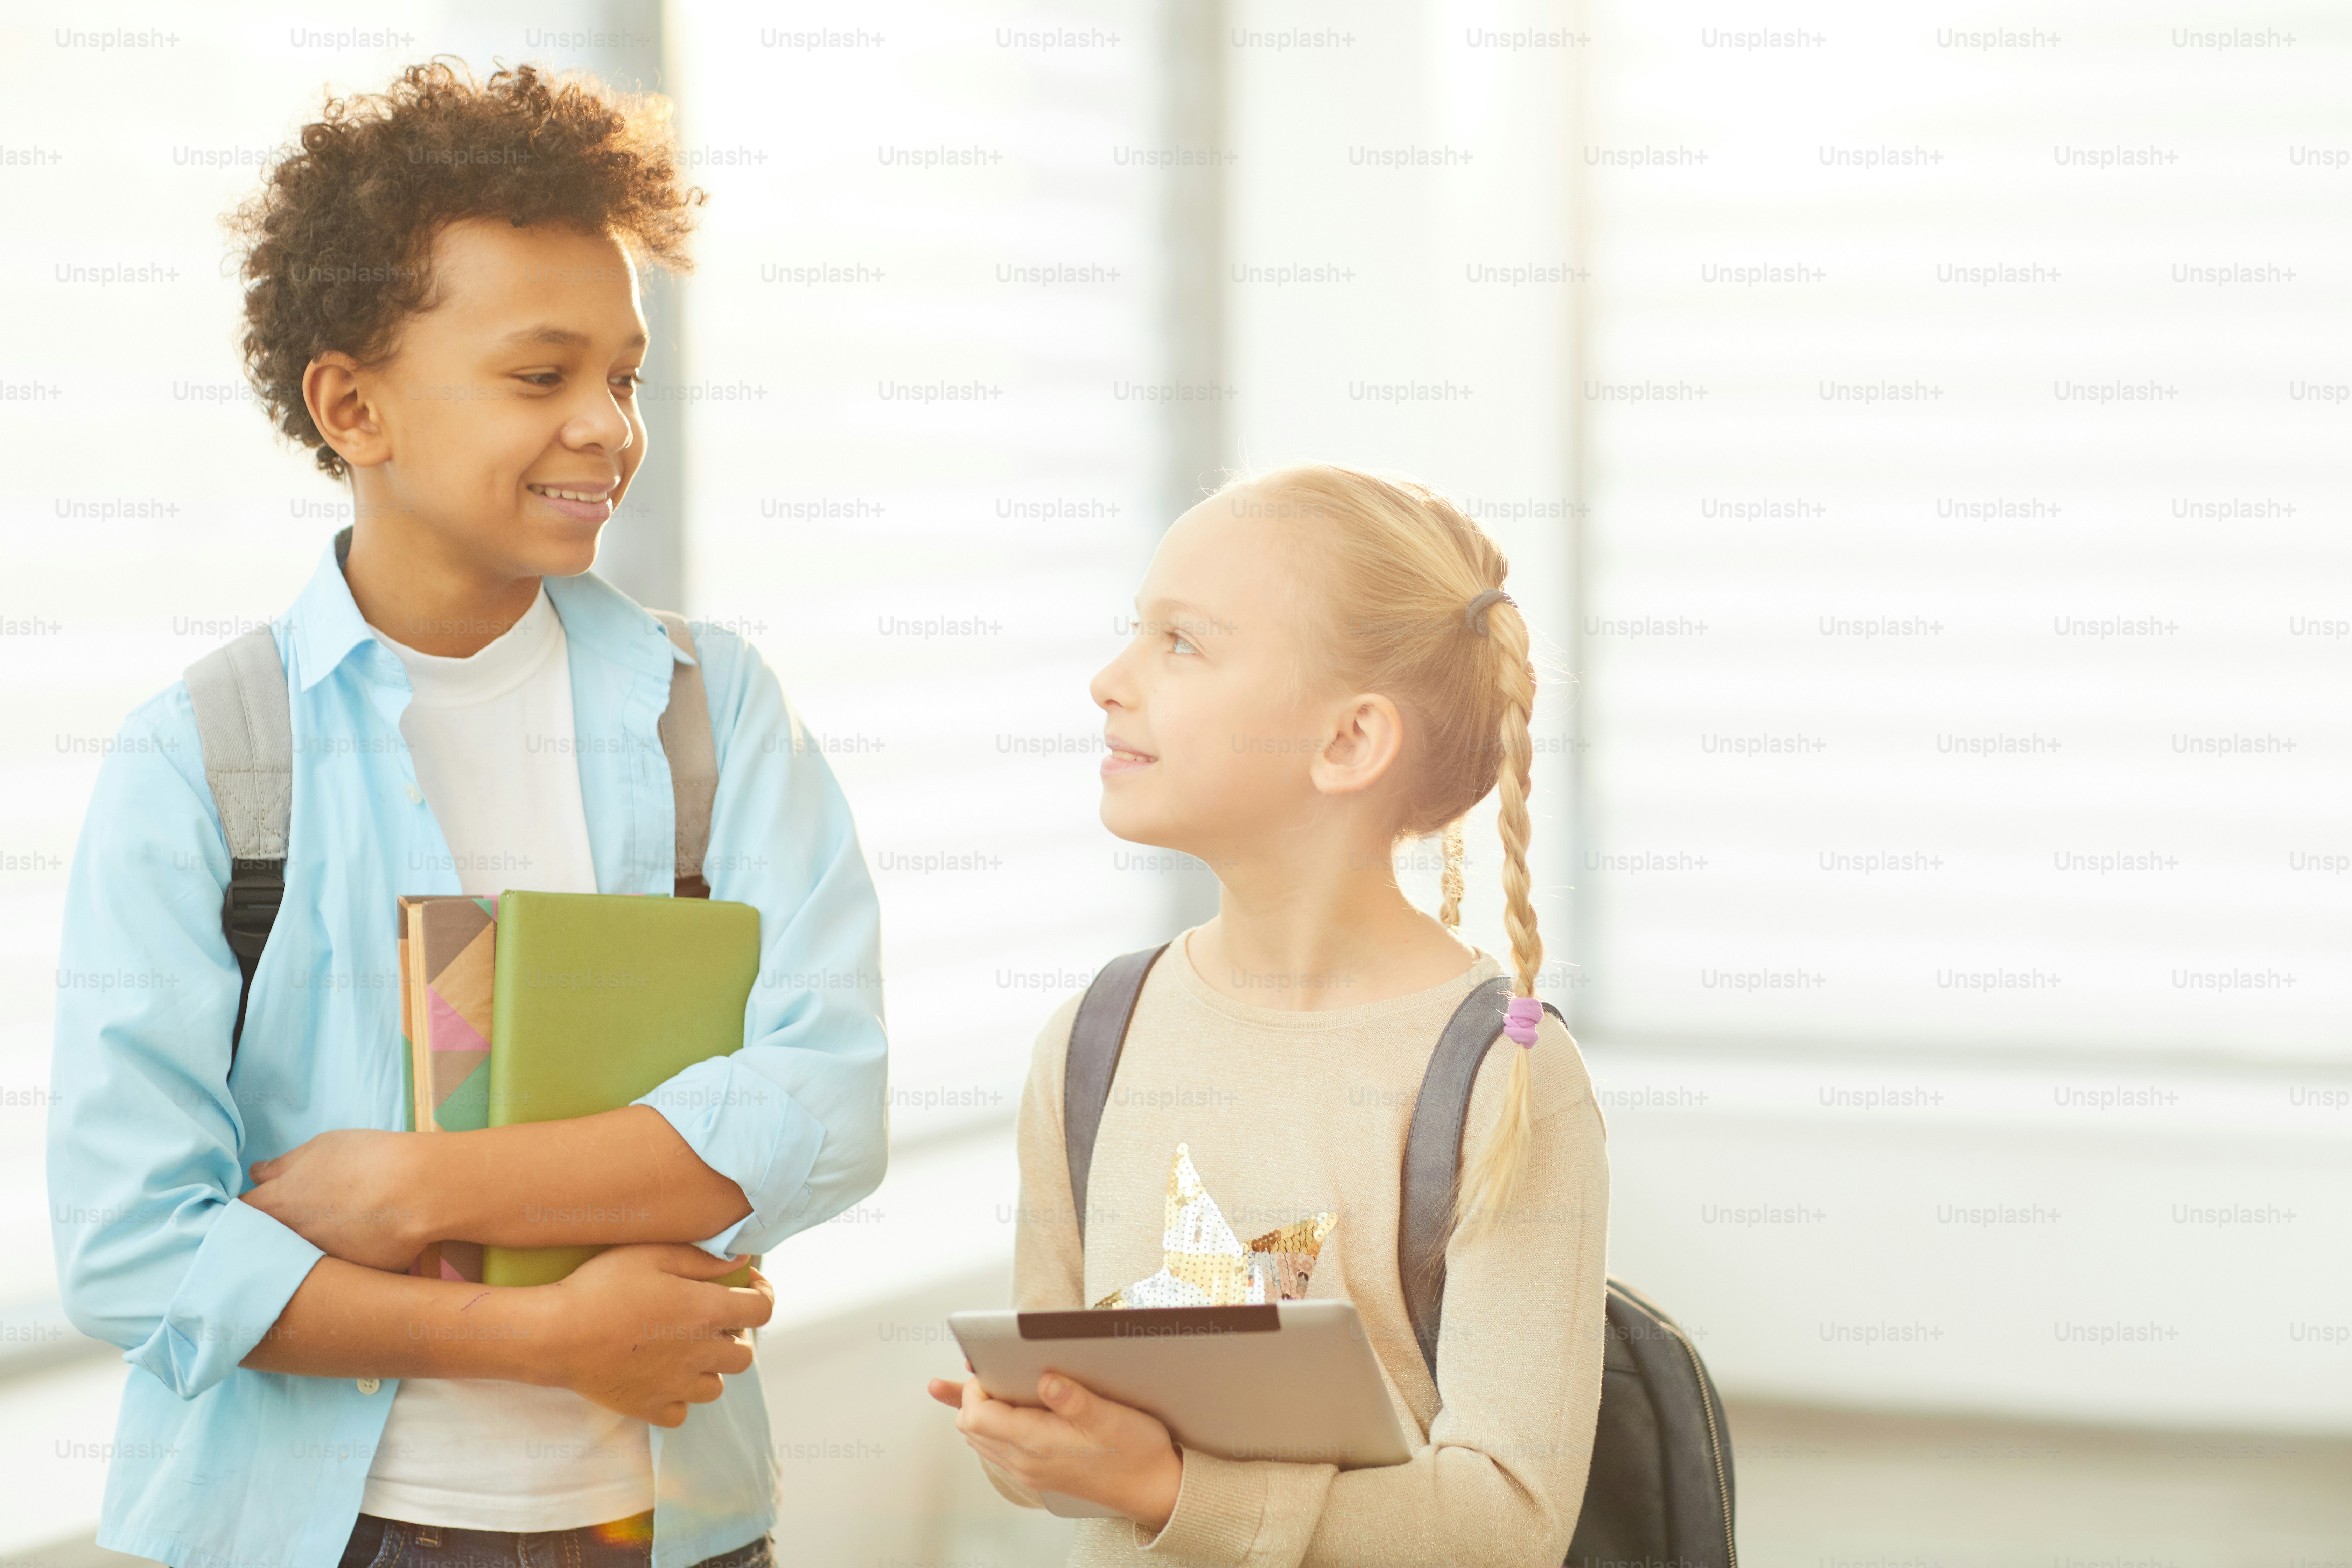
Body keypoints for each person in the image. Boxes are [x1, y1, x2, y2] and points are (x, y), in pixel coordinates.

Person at [46, 62, 886, 1568]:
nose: (608, 429)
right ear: (351, 403)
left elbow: (822, 1105)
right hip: (326, 1532)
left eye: (624, 377)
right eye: (539, 375)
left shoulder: (717, 712)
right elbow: (138, 1251)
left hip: (669, 1524)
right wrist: (547, 1332)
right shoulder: (207, 758)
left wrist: (417, 1184)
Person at [927, 465, 1611, 1564]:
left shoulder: (1503, 1075)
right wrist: (1031, 1443)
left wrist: (1167, 1485)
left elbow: (1506, 1523)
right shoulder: (1095, 1040)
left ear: (1348, 742)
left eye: (1181, 643)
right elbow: (1062, 1463)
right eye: (1132, 634)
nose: (1109, 681)